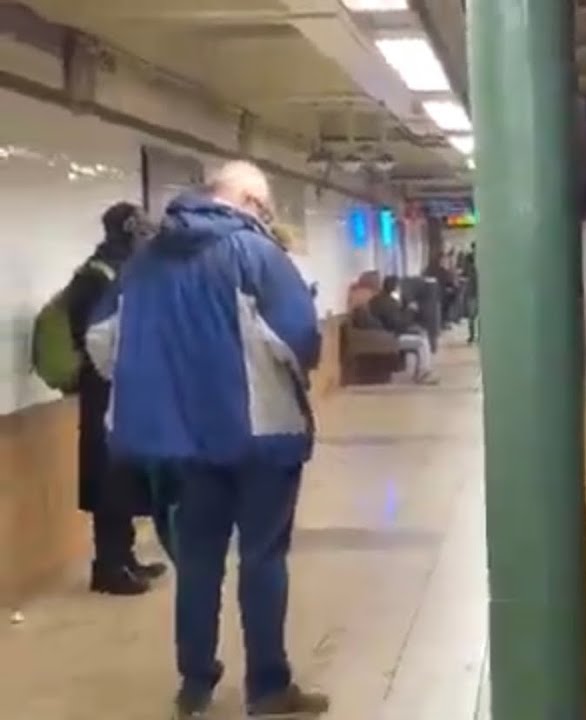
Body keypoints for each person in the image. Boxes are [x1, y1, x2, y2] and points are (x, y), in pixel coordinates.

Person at [84, 161, 329, 719]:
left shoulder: (143, 263)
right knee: (263, 559)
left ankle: (194, 686)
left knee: (197, 563)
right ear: (243, 198)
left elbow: (101, 343)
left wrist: (160, 387)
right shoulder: (255, 254)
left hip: (182, 440)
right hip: (261, 436)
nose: (266, 219)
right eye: (263, 207)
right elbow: (299, 338)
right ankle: (268, 688)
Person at [64, 201, 167, 595]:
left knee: (122, 476)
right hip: (103, 387)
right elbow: (93, 337)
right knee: (107, 478)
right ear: (125, 231)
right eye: (139, 232)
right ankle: (107, 566)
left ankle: (123, 558)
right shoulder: (96, 276)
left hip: (121, 388)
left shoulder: (122, 270)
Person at [367, 275, 436, 383]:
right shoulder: (388, 303)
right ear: (395, 288)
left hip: (387, 334)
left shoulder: (377, 300)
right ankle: (423, 374)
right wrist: (410, 310)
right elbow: (398, 324)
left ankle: (421, 373)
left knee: (422, 334)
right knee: (422, 342)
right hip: (392, 338)